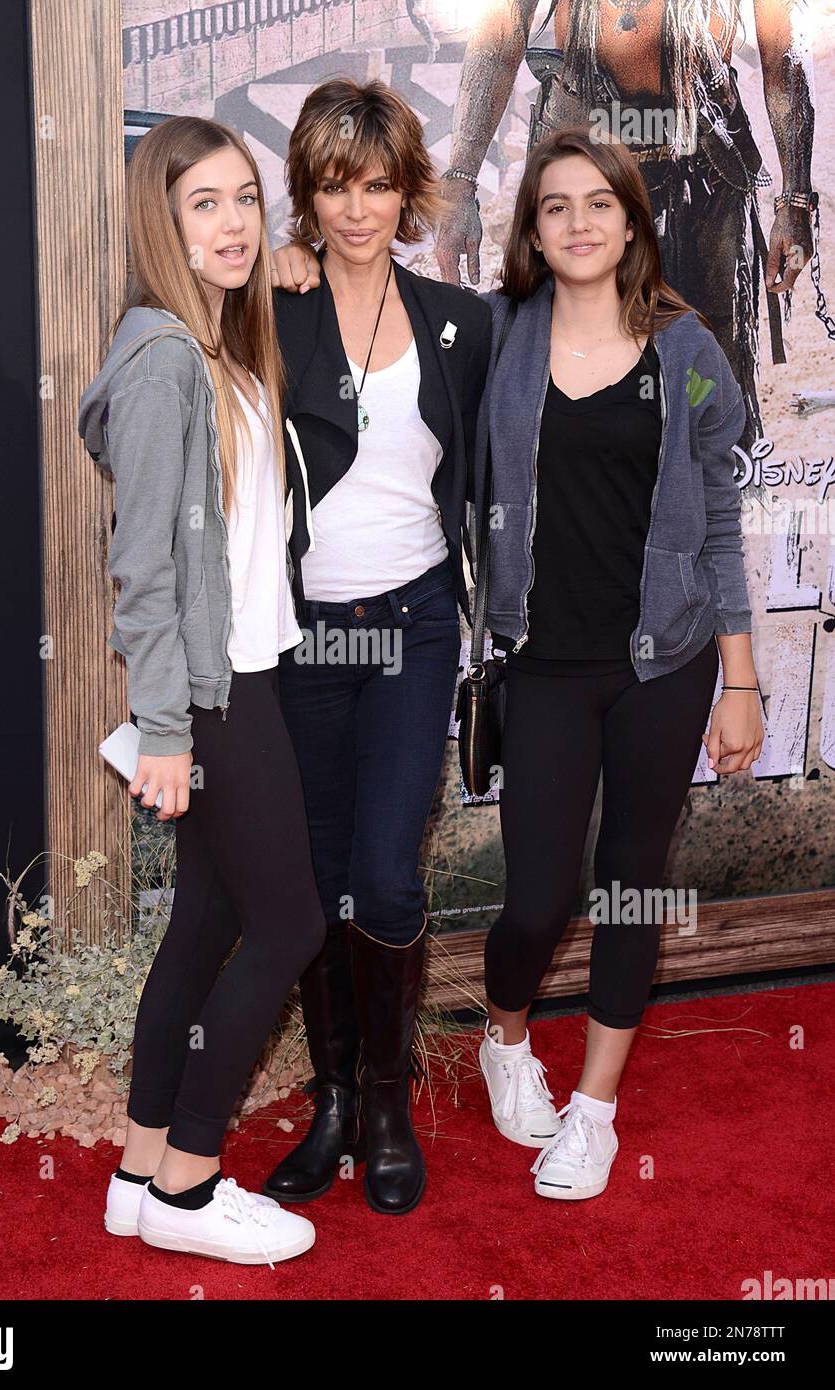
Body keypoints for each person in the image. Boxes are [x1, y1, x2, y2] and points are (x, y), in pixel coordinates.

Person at [473, 125, 763, 1199]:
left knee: (634, 885)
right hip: (543, 662)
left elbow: (722, 519)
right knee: (538, 897)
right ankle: (505, 1037)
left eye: (600, 202)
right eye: (556, 207)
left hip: (666, 660)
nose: (580, 222)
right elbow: (383, 324)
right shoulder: (497, 336)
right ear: (534, 230)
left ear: (633, 220)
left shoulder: (687, 354)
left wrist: (739, 678)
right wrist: (301, 257)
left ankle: (592, 1107)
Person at [78, 115, 326, 1264]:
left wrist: (286, 265)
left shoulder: (211, 346)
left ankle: (137, 1166)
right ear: (161, 223)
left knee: (206, 923)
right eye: (203, 206)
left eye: (244, 198)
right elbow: (142, 573)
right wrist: (169, 731)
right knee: (288, 923)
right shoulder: (166, 361)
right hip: (218, 695)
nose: (232, 225)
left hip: (239, 676)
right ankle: (187, 1184)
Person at [261, 78, 491, 1216]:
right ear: (307, 191)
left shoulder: (463, 318)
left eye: (378, 185)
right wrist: (263, 270)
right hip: (300, 635)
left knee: (387, 875)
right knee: (311, 881)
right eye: (335, 186)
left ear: (408, 191)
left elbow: (499, 473)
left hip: (410, 623)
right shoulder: (271, 303)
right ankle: (334, 1103)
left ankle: (390, 1103)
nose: (356, 209)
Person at [435, 0, 818, 454]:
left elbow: (784, 55)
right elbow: (499, 36)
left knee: (709, 402)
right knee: (572, 396)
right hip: (583, 180)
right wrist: (459, 184)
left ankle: (708, 514)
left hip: (703, 182)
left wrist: (796, 199)